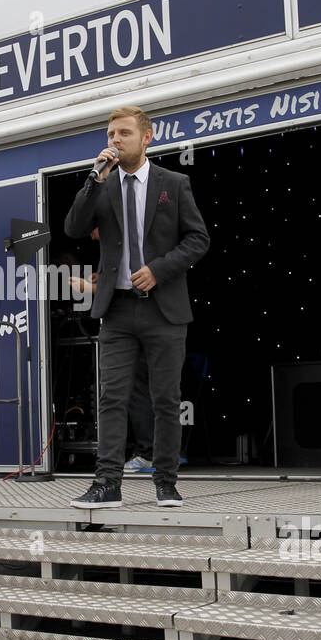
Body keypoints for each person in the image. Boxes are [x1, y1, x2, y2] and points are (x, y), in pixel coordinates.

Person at [64, 106, 209, 508]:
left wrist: (159, 270)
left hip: (163, 308)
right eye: (111, 133)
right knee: (112, 397)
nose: (115, 140)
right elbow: (74, 228)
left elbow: (198, 240)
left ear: (146, 137)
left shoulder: (174, 183)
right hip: (118, 310)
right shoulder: (103, 184)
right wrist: (94, 180)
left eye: (124, 133)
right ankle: (107, 483)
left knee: (165, 398)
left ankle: (166, 481)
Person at [67, 230, 155, 473]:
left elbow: (128, 290)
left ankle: (148, 454)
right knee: (140, 391)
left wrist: (90, 288)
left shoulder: (127, 246)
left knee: (137, 391)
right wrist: (100, 281)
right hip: (135, 327)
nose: (93, 237)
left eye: (94, 229)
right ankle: (156, 451)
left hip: (133, 329)